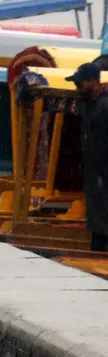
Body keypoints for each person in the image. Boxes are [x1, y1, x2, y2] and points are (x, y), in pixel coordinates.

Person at [70, 62, 108, 252]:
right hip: (94, 174)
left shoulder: (103, 105)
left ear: (93, 82)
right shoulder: (87, 105)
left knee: (101, 220)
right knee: (97, 221)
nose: (78, 88)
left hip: (103, 173)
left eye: (80, 83)